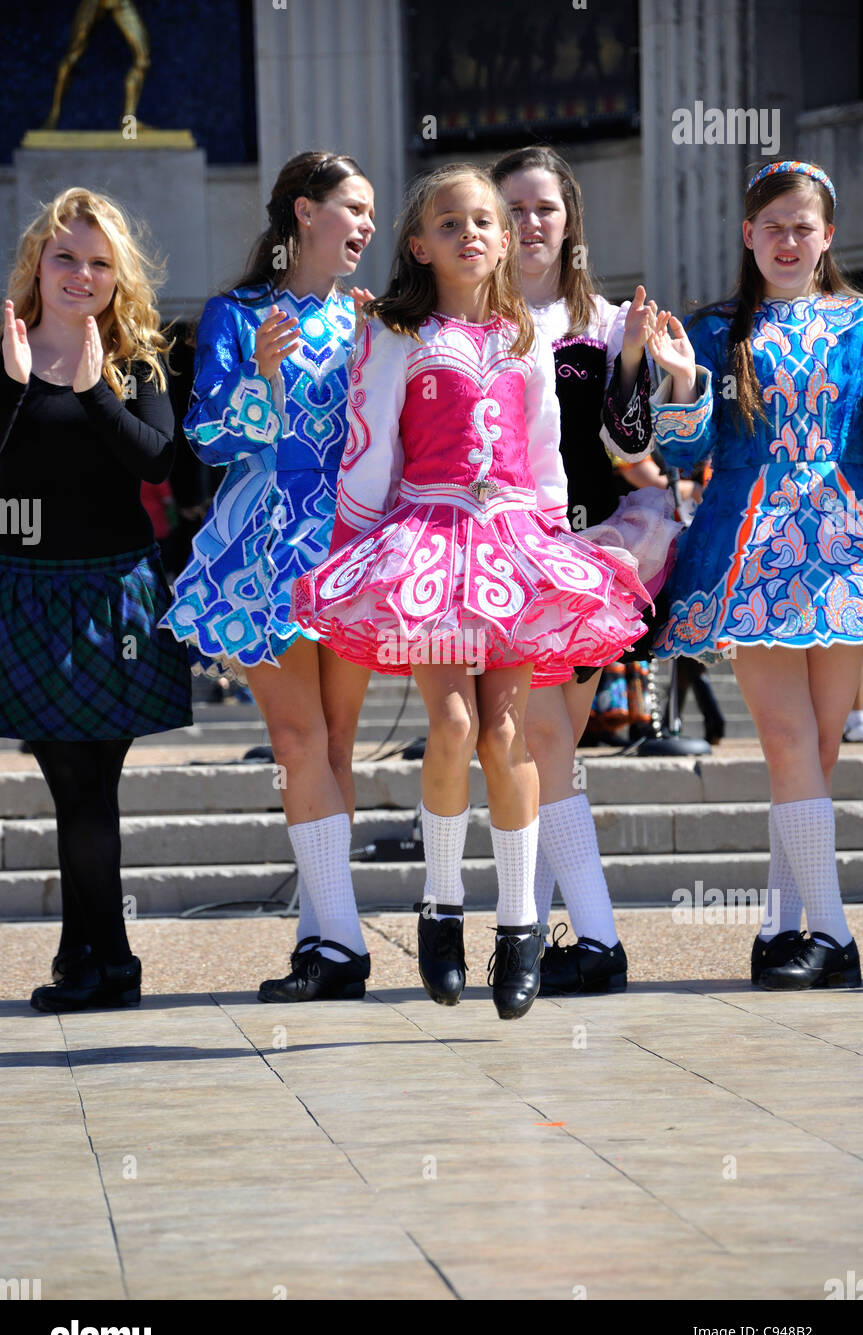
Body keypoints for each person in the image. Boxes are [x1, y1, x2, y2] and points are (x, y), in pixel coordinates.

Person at [291, 163, 652, 1019]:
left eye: (484, 221)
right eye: (449, 223)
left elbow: (543, 454)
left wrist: (554, 556)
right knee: (451, 723)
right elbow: (371, 449)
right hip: (430, 546)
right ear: (419, 244)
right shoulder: (394, 334)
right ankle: (441, 903)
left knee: (506, 731)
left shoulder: (523, 336)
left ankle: (519, 923)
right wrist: (357, 548)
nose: (472, 235)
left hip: (514, 549)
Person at [160, 151, 377, 1002]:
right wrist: (262, 371)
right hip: (266, 547)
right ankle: (346, 943)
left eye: (368, 212)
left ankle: (320, 936)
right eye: (350, 209)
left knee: (333, 743)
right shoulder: (236, 313)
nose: (364, 225)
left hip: (353, 546)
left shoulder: (372, 317)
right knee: (295, 742)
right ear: (301, 212)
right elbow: (209, 440)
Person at [648, 159, 863, 991]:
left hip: (843, 543)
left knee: (812, 746)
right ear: (746, 235)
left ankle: (780, 929)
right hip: (752, 547)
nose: (785, 239)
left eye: (800, 225)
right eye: (770, 225)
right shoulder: (710, 330)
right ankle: (836, 936)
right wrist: (679, 380)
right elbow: (683, 454)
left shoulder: (856, 323)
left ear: (826, 236)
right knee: (783, 741)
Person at [491, 145, 679, 995]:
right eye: (513, 210)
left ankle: (590, 941)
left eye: (544, 209)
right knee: (542, 746)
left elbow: (629, 448)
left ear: (568, 221)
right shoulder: (472, 321)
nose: (530, 225)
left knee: (540, 741)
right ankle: (533, 941)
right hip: (497, 554)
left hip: (586, 552)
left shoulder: (601, 322)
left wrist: (634, 360)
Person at [0, 187, 192, 1012]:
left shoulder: (138, 360)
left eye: (99, 263)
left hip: (112, 592)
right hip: (25, 594)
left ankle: (105, 962)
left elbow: (157, 464)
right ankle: (89, 956)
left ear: (120, 278)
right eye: (66, 257)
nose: (81, 274)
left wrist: (91, 390)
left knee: (87, 786)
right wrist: (15, 386)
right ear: (37, 263)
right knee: (70, 783)